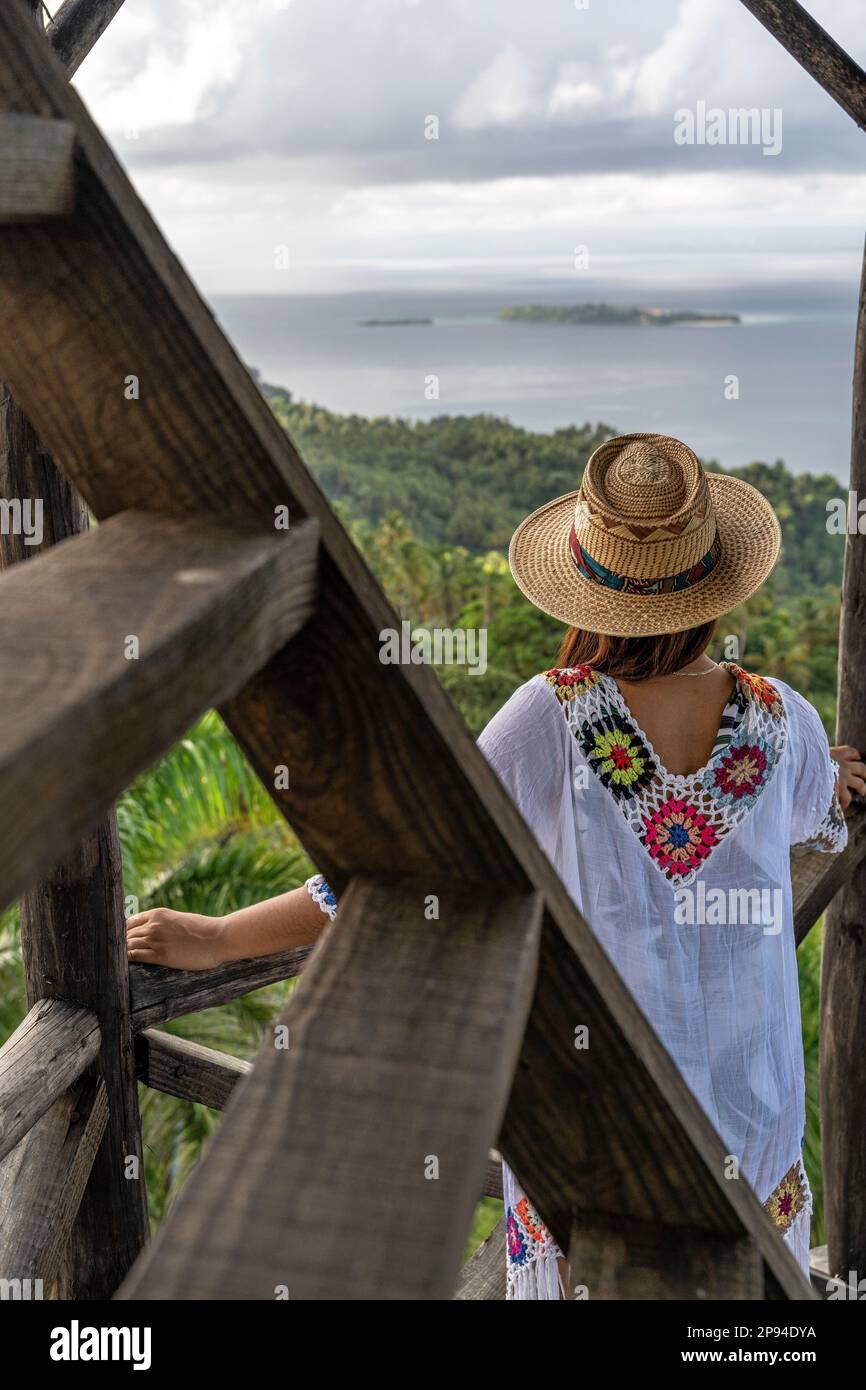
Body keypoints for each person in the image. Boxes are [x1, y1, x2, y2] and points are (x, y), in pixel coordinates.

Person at [127, 433, 864, 1299]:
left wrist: (220, 936)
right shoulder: (785, 723)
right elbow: (821, 812)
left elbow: (411, 863)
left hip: (596, 1151)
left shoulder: (549, 720)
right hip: (753, 1137)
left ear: (588, 590)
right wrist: (837, 778)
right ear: (713, 591)